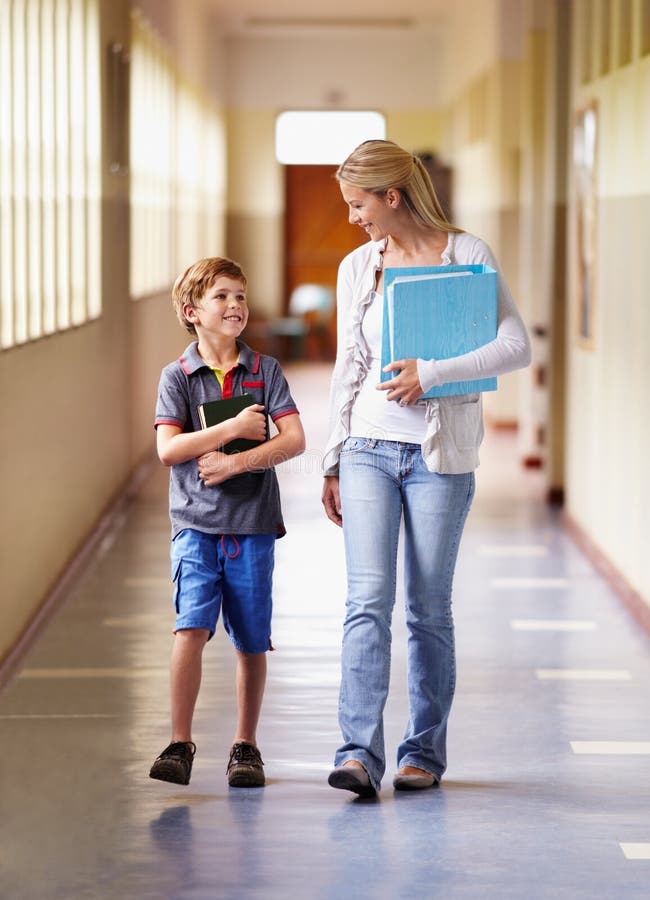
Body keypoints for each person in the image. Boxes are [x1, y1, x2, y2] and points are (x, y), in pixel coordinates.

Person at [322, 140, 531, 798]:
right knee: (366, 603)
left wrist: (432, 374)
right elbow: (348, 367)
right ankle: (358, 753)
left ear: (391, 196)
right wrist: (331, 458)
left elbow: (514, 344)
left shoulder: (465, 254)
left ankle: (423, 753)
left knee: (429, 611)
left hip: (441, 454)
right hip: (367, 450)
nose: (354, 217)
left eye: (359, 204)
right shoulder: (359, 267)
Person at [149, 256, 305, 788]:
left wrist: (238, 460)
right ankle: (179, 740)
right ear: (192, 311)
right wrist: (234, 428)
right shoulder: (179, 377)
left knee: (251, 640)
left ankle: (246, 744)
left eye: (240, 295)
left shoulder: (266, 371)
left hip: (253, 525)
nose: (235, 305)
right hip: (196, 524)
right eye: (222, 297)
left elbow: (294, 439)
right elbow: (169, 450)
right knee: (189, 627)